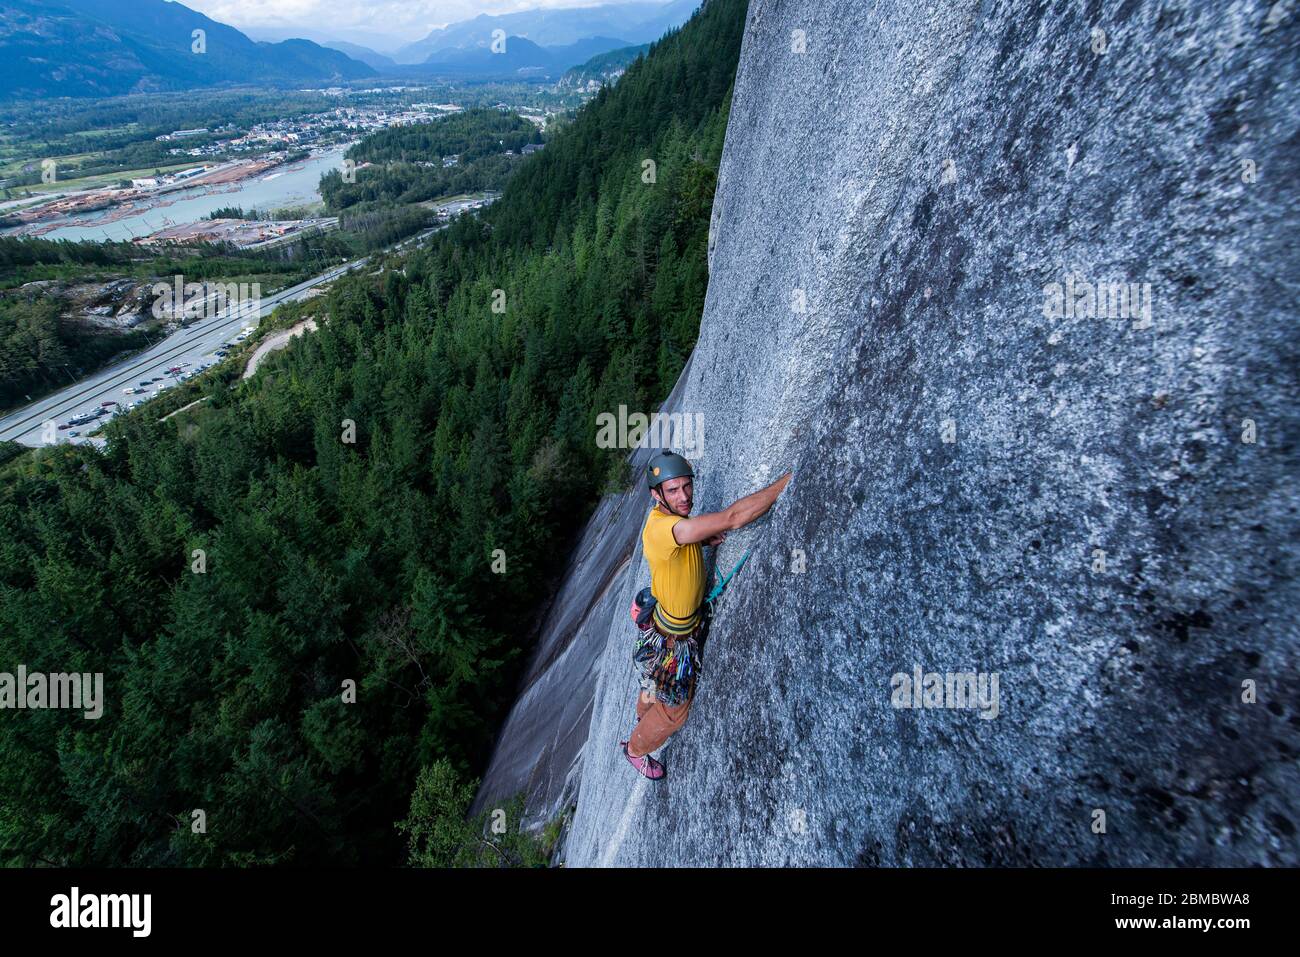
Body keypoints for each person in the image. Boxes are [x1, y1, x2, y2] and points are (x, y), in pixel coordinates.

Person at [621, 449, 792, 779]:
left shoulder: (671, 525)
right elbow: (732, 518)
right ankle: (635, 749)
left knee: (654, 682)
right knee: (674, 712)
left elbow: (677, 545)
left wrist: (699, 543)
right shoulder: (665, 529)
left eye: (687, 486)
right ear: (656, 495)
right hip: (675, 639)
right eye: (673, 490)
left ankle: (643, 713)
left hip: (664, 630)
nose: (684, 497)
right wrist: (787, 481)